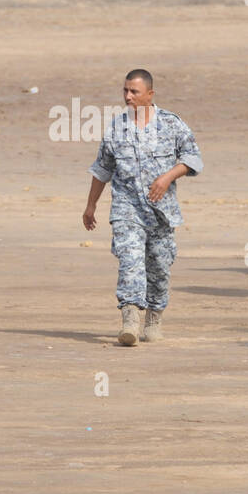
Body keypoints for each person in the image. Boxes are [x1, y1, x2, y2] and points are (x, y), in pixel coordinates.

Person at [83, 70, 203, 346]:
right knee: (130, 261)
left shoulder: (172, 124)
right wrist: (91, 206)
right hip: (127, 210)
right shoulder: (116, 127)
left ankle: (154, 317)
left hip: (161, 212)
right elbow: (103, 168)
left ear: (150, 94)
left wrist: (168, 176)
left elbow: (193, 157)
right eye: (125, 91)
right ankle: (130, 319)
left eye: (134, 92)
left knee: (159, 267)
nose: (127, 96)